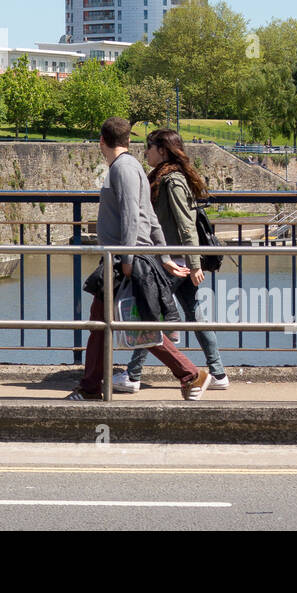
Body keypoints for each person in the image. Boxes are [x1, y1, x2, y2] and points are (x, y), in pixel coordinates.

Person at [66, 117, 208, 401]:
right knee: (105, 322)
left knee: (128, 325)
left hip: (125, 260)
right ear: (128, 140)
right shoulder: (131, 168)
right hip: (126, 257)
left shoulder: (124, 169)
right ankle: (92, 386)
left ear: (101, 142)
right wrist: (164, 255)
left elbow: (133, 215)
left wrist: (129, 258)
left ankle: (191, 373)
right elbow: (150, 217)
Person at [115, 129, 229, 394]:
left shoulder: (172, 181)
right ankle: (219, 373)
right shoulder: (162, 178)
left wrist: (195, 264)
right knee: (195, 315)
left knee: (149, 314)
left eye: (149, 147)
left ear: (163, 150)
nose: (145, 152)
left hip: (173, 262)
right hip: (175, 260)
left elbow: (186, 226)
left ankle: (133, 375)